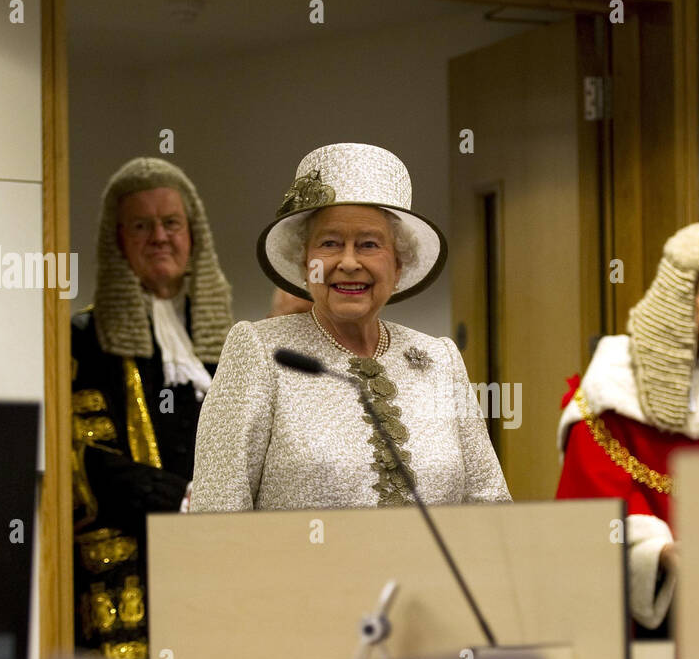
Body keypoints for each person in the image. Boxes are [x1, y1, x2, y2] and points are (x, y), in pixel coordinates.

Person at [190, 143, 509, 512]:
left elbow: (489, 504)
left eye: (369, 244)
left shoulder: (440, 359)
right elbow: (217, 511)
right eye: (330, 243)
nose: (348, 262)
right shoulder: (260, 352)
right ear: (304, 261)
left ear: (399, 264)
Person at [555, 222, 699, 629]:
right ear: (680, 295)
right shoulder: (613, 379)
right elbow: (595, 495)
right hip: (640, 599)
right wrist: (658, 552)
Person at [71, 157, 234, 659]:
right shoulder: (82, 339)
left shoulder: (230, 338)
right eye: (142, 225)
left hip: (221, 555)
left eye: (171, 223)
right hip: (132, 560)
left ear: (193, 236)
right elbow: (87, 457)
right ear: (118, 240)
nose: (159, 236)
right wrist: (183, 500)